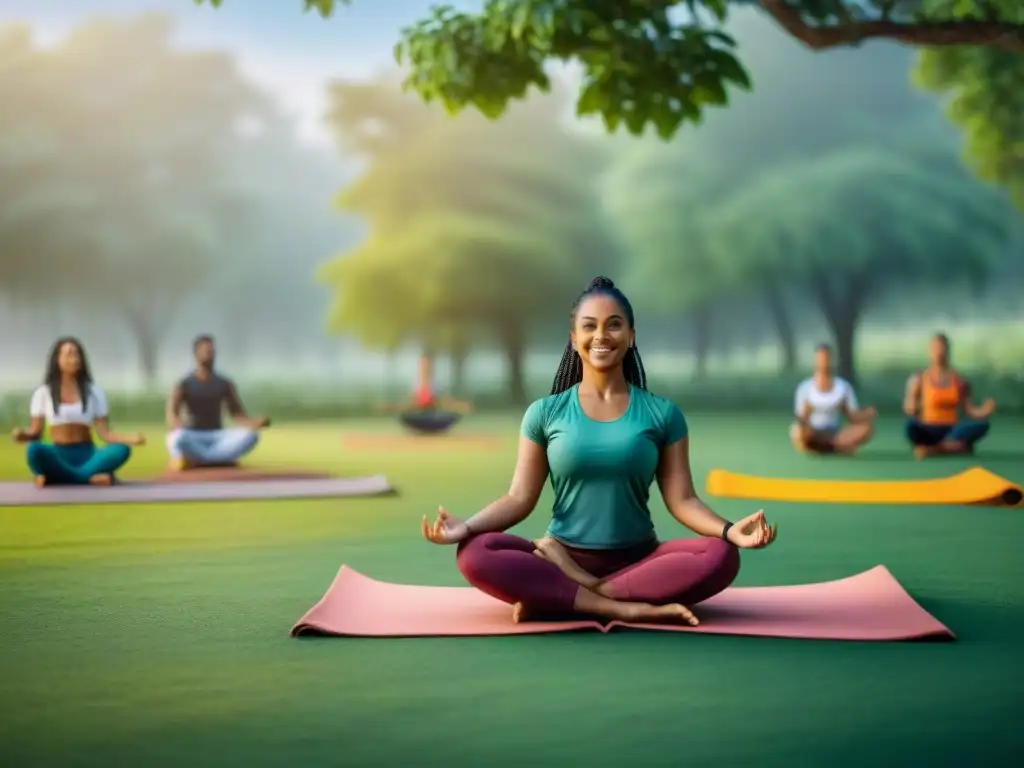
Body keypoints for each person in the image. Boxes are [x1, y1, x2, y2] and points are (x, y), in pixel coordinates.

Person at [421, 276, 777, 626]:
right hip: (559, 550)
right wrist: (465, 527)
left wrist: (730, 531)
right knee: (475, 553)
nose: (601, 336)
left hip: (639, 561)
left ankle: (572, 596)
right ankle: (624, 607)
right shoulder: (544, 413)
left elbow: (683, 500)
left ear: (632, 335)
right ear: (574, 339)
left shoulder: (663, 414)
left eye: (614, 325)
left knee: (719, 555)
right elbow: (518, 498)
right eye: (589, 326)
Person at [11, 337, 144, 487]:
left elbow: (105, 433)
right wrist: (22, 435)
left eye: (77, 354)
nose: (74, 359)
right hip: (58, 455)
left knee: (121, 450)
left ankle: (59, 478)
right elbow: (36, 432)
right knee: (34, 450)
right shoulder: (43, 393)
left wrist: (131, 439)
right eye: (68, 354)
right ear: (57, 359)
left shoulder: (94, 392)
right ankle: (88, 478)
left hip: (88, 455)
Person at [164, 334, 270, 470]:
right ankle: (220, 460)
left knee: (251, 436)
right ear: (196, 353)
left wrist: (255, 423)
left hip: (218, 436)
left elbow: (237, 414)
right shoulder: (184, 384)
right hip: (194, 435)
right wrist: (177, 425)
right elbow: (172, 413)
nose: (209, 353)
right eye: (205, 350)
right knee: (175, 438)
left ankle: (201, 460)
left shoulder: (224, 383)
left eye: (211, 350)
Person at [903, 333, 994, 458]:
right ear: (929, 352)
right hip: (928, 427)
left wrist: (984, 411)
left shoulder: (959, 381)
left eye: (942, 348)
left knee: (981, 425)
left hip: (951, 429)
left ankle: (935, 448)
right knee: (911, 426)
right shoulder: (918, 379)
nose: (939, 352)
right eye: (935, 348)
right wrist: (914, 406)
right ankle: (955, 447)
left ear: (948, 351)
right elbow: (909, 408)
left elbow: (969, 410)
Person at [790, 343, 876, 455]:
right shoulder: (804, 388)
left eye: (826, 358)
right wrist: (807, 413)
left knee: (866, 428)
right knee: (797, 432)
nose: (823, 362)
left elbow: (852, 416)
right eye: (820, 358)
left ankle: (830, 445)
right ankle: (833, 447)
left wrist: (865, 414)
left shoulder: (843, 387)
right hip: (814, 432)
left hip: (835, 432)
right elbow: (800, 420)